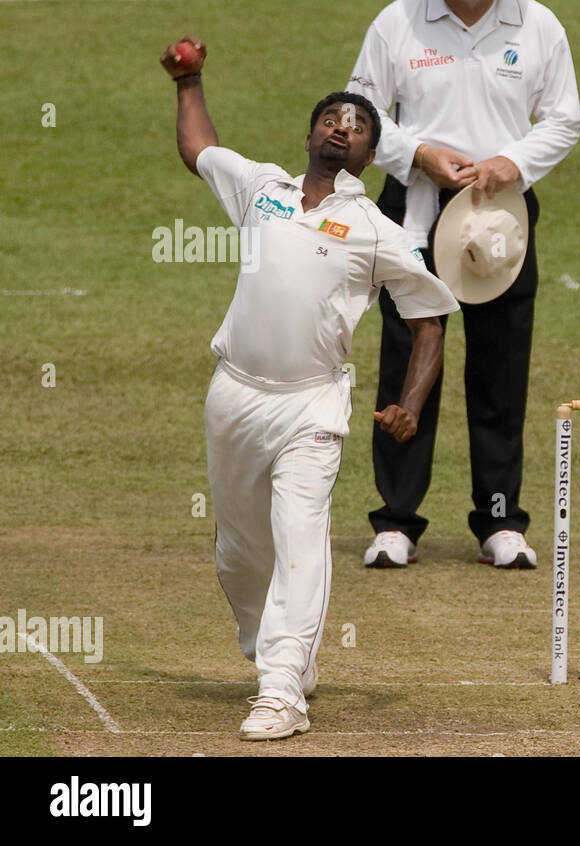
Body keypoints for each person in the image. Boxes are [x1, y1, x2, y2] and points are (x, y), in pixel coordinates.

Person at [160, 37, 459, 739]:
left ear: (366, 155)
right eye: (334, 117)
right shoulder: (261, 188)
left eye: (358, 126)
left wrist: (411, 405)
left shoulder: (373, 229)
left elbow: (432, 317)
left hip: (312, 404)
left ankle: (281, 689)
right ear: (311, 133)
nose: (344, 126)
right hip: (233, 395)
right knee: (240, 557)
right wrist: (191, 79)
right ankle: (275, 655)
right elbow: (199, 150)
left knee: (300, 540)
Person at [345, 0, 580, 570]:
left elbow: (564, 118)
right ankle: (395, 521)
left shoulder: (537, 24)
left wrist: (514, 162)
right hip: (415, 206)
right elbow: (359, 112)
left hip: (499, 213)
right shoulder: (398, 20)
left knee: (501, 361)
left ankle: (500, 518)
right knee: (406, 357)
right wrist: (419, 154)